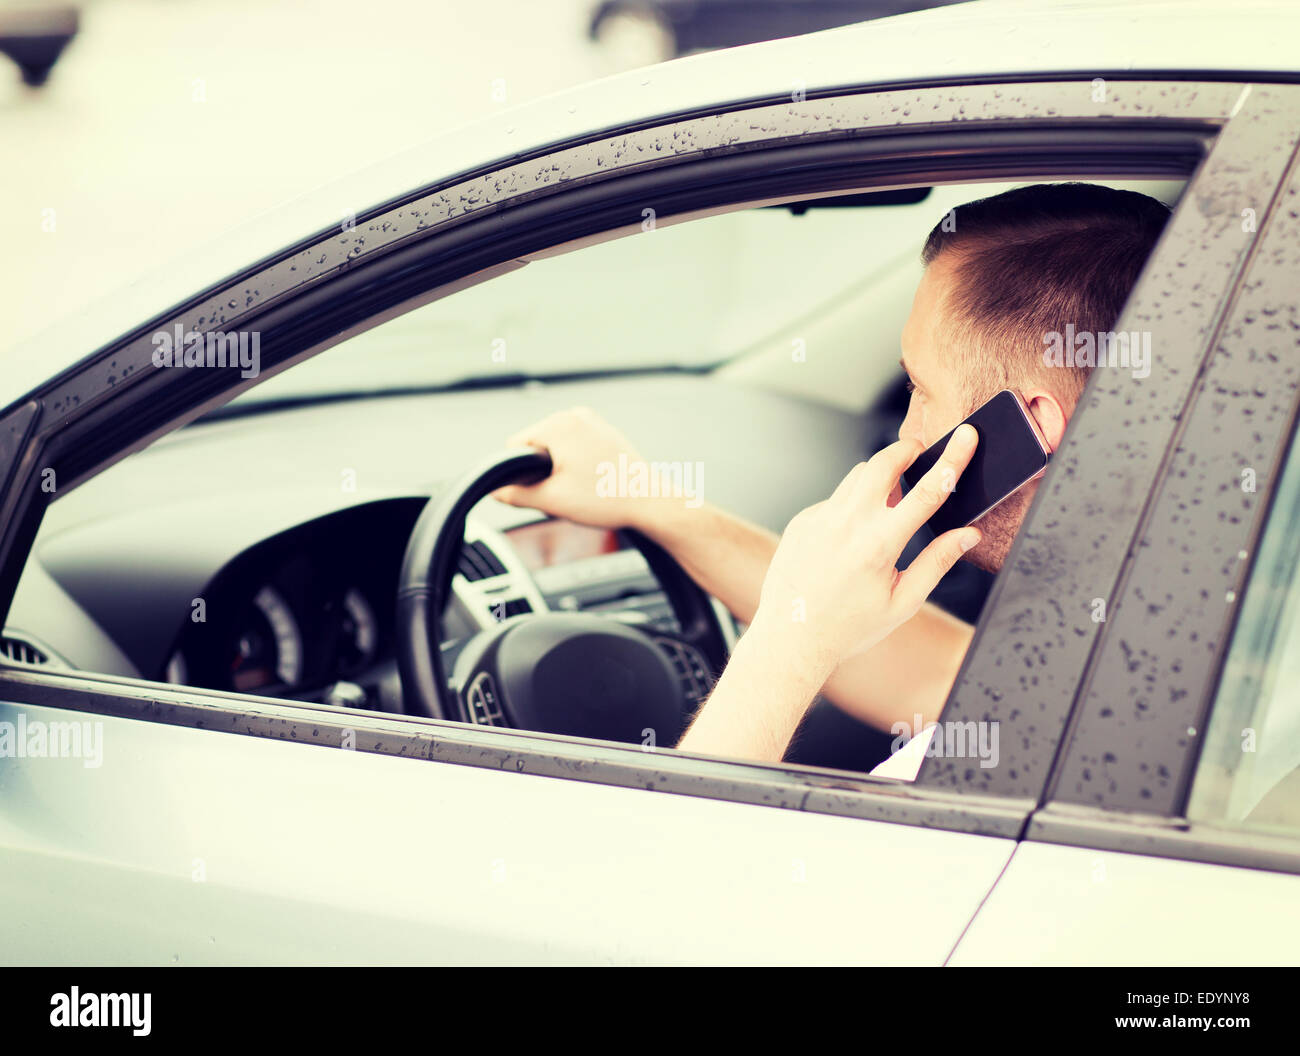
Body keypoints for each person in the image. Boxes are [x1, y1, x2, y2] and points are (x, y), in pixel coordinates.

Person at [493, 183, 1171, 777]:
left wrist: (789, 650)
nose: (906, 434)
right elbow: (953, 677)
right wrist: (652, 504)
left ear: (1033, 427)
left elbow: (674, 883)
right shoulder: (1171, 637)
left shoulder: (993, 779)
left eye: (919, 387)